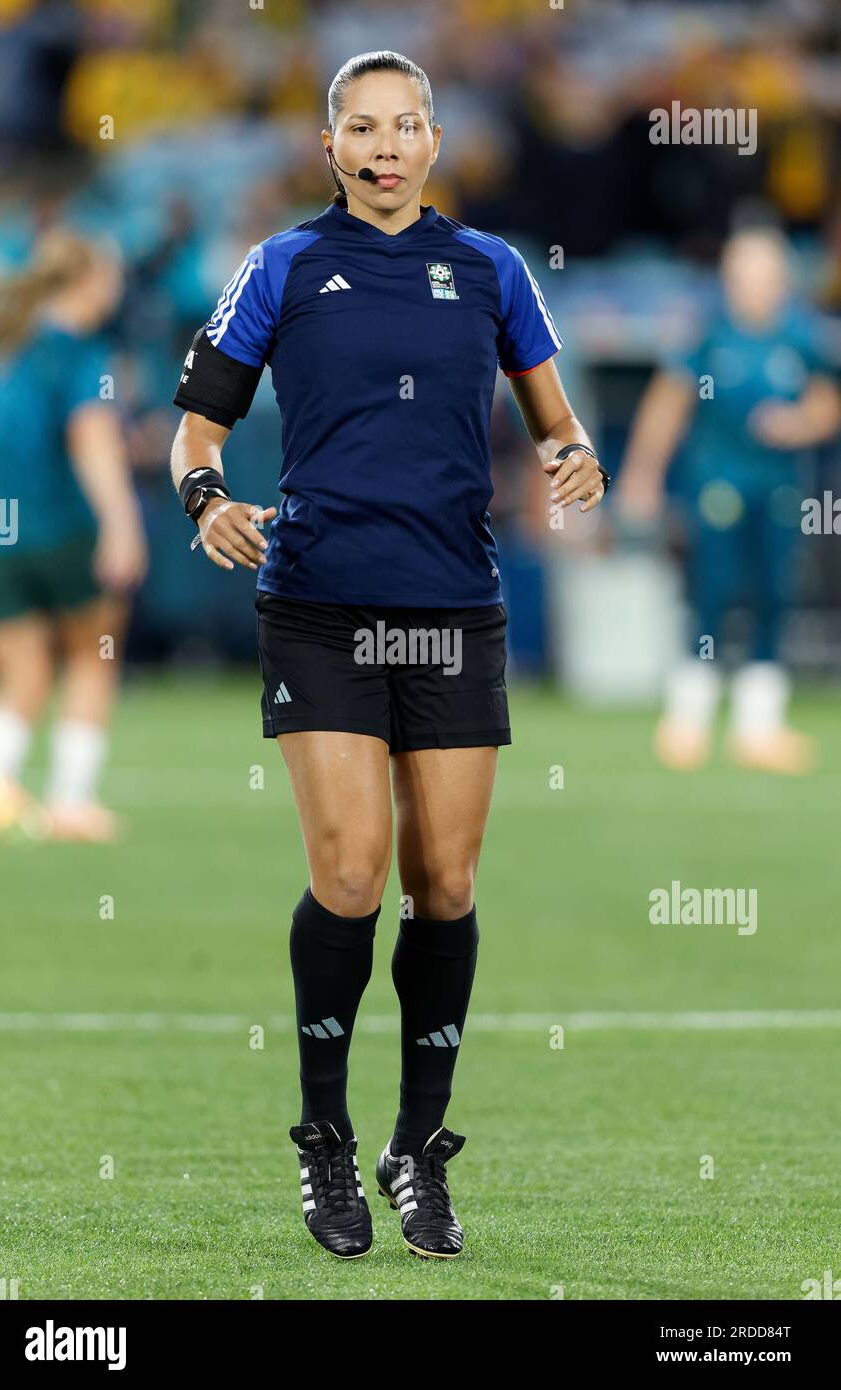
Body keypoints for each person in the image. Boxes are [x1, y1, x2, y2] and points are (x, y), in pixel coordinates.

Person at [171, 51, 607, 1261]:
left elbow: (556, 423)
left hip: (452, 612)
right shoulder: (283, 266)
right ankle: (323, 1136)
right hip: (315, 604)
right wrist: (207, 495)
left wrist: (574, 459)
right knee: (353, 871)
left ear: (430, 142)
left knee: (448, 886)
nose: (382, 146)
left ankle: (418, 1150)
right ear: (330, 147)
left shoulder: (490, 271)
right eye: (359, 127)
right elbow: (195, 426)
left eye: (403, 126)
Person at [618, 226, 841, 774]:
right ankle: (687, 719)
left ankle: (758, 727)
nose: (753, 288)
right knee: (713, 591)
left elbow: (826, 404)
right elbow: (667, 405)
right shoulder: (709, 336)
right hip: (718, 485)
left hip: (781, 488)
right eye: (742, 276)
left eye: (764, 277)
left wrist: (800, 424)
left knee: (774, 594)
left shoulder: (801, 336)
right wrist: (641, 476)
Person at [0, 229, 147, 841]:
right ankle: (71, 803)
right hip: (65, 527)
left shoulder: (1, 349)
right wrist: (122, 524)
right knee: (91, 659)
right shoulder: (81, 354)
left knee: (21, 671)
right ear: (87, 281)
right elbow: (92, 441)